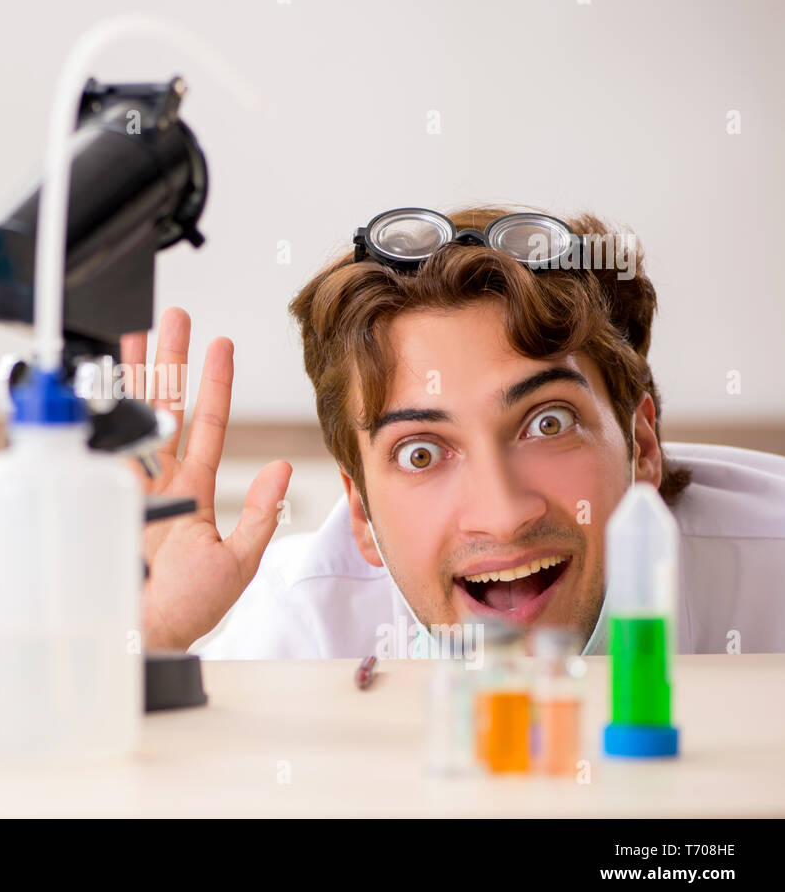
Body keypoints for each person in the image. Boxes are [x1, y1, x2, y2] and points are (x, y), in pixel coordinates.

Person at [129, 206, 785, 658]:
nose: (502, 517)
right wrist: (148, 638)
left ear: (642, 446)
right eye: (421, 453)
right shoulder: (299, 630)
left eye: (547, 423)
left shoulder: (769, 572)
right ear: (361, 515)